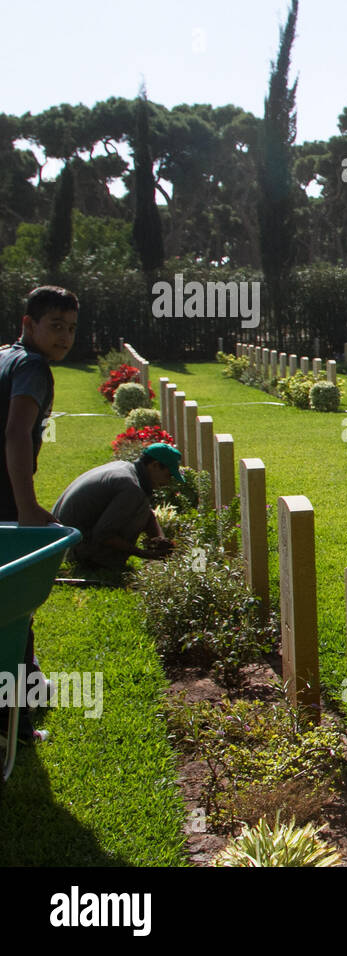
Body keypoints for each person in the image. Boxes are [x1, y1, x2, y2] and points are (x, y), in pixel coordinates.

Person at [1, 286, 78, 744]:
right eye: (55, 326)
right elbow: (15, 433)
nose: (64, 337)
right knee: (12, 612)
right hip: (5, 503)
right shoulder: (32, 366)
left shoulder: (6, 357)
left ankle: (27, 692)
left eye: (70, 328)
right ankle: (15, 728)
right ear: (28, 324)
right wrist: (26, 508)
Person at [52, 443, 183, 570]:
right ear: (154, 465)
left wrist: (160, 540)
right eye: (168, 475)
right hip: (72, 547)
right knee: (138, 503)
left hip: (63, 539)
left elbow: (147, 513)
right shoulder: (131, 487)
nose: (168, 482)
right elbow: (103, 534)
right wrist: (143, 553)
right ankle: (102, 561)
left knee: (140, 505)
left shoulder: (126, 468)